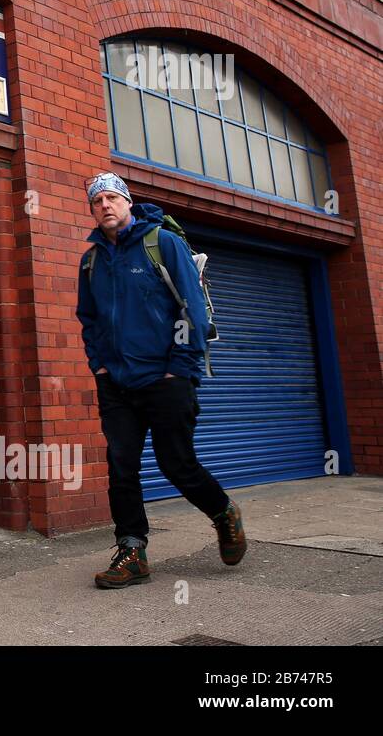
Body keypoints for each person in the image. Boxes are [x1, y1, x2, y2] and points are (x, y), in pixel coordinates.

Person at [76, 172, 246, 588]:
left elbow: (192, 309)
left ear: (128, 202)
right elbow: (89, 318)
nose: (105, 206)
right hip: (116, 382)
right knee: (121, 467)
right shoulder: (92, 259)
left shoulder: (161, 244)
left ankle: (223, 513)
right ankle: (132, 550)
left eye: (113, 198)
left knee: (177, 464)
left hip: (167, 377)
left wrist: (178, 367)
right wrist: (99, 364)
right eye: (97, 202)